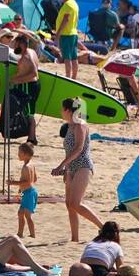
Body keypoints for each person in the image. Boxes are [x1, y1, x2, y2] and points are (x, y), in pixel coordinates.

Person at [54, 98, 102, 242]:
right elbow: (68, 150)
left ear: (68, 110)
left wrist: (61, 165)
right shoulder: (69, 126)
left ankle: (103, 227)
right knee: (69, 205)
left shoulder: (81, 125)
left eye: (62, 109)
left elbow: (79, 148)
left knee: (75, 203)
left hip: (83, 166)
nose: (61, 112)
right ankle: (75, 239)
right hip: (71, 168)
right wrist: (66, 169)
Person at [9, 33, 41, 144]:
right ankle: (33, 137)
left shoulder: (27, 57)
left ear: (21, 44)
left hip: (29, 86)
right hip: (33, 86)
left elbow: (33, 73)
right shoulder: (31, 51)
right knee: (29, 111)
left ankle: (31, 139)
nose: (14, 46)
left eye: (17, 44)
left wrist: (17, 80)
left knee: (29, 113)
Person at [12, 143, 39, 238]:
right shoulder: (31, 165)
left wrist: (13, 183)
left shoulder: (26, 167)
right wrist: (21, 188)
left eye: (20, 153)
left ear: (26, 154)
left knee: (27, 215)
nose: (18, 154)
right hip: (29, 192)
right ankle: (20, 233)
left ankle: (32, 234)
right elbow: (34, 179)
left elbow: (27, 181)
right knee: (20, 213)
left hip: (29, 193)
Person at [55, 0, 80, 80]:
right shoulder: (74, 4)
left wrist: (57, 34)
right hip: (73, 32)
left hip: (67, 34)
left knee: (67, 57)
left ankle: (68, 77)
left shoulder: (68, 5)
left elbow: (65, 20)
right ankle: (74, 77)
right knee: (74, 57)